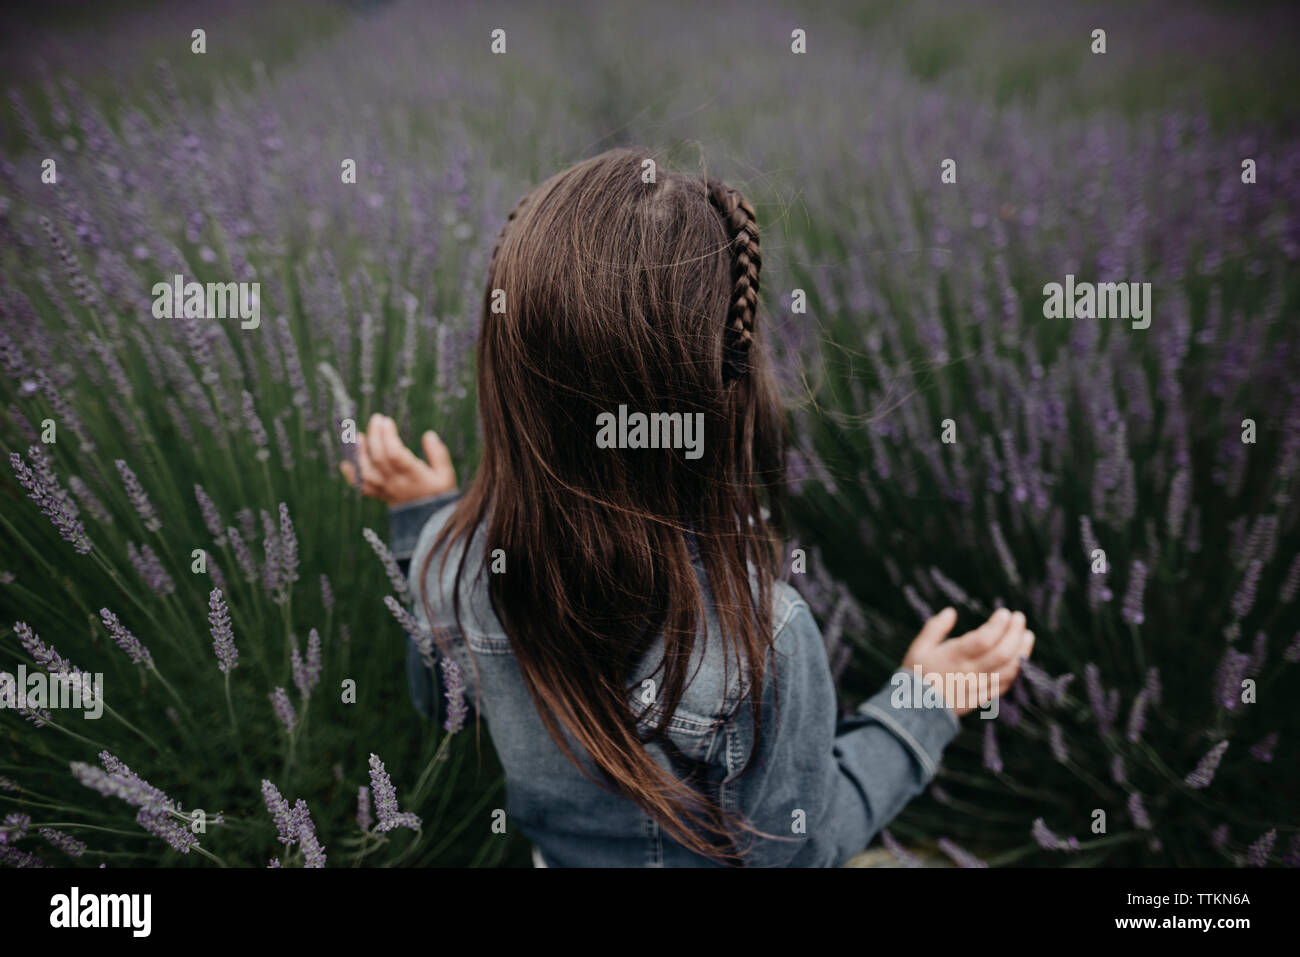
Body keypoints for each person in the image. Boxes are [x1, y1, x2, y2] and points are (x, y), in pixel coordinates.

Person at [341, 147, 1034, 867]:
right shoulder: (765, 641)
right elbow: (801, 848)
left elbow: (442, 706)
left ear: (505, 380)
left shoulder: (449, 566)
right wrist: (922, 703)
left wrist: (423, 516)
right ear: (731, 390)